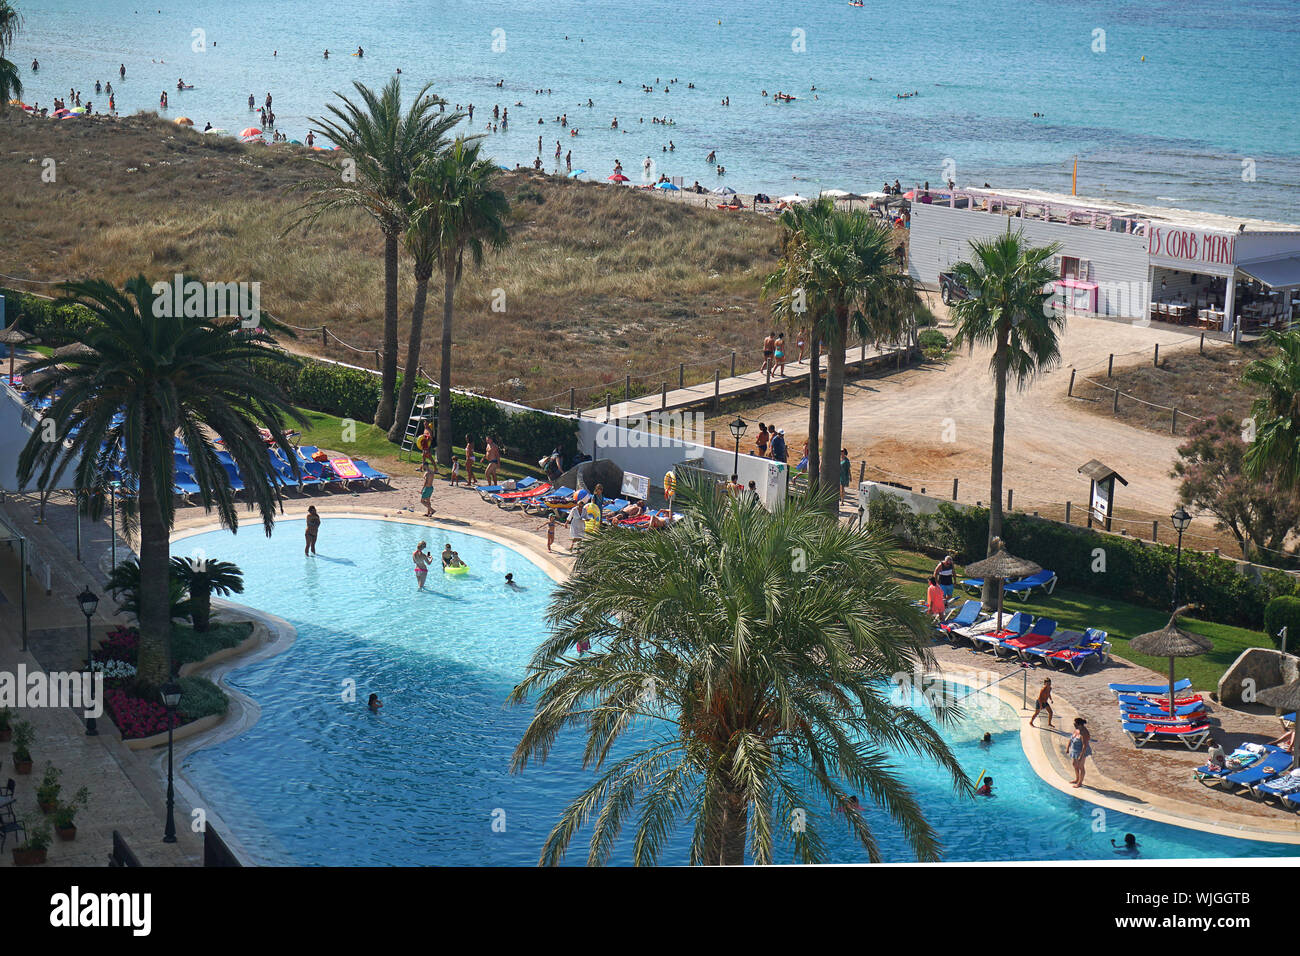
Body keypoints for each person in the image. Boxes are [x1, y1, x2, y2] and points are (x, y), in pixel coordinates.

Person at [1068, 717, 1092, 787]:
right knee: (1075, 765)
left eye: (1075, 723)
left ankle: (1080, 782)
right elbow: (1072, 738)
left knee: (1081, 767)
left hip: (1081, 751)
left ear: (1079, 725)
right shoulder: (1077, 729)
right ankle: (1077, 779)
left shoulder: (1084, 733)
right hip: (1075, 750)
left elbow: (1085, 746)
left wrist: (1081, 756)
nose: (1073, 724)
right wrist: (1068, 747)